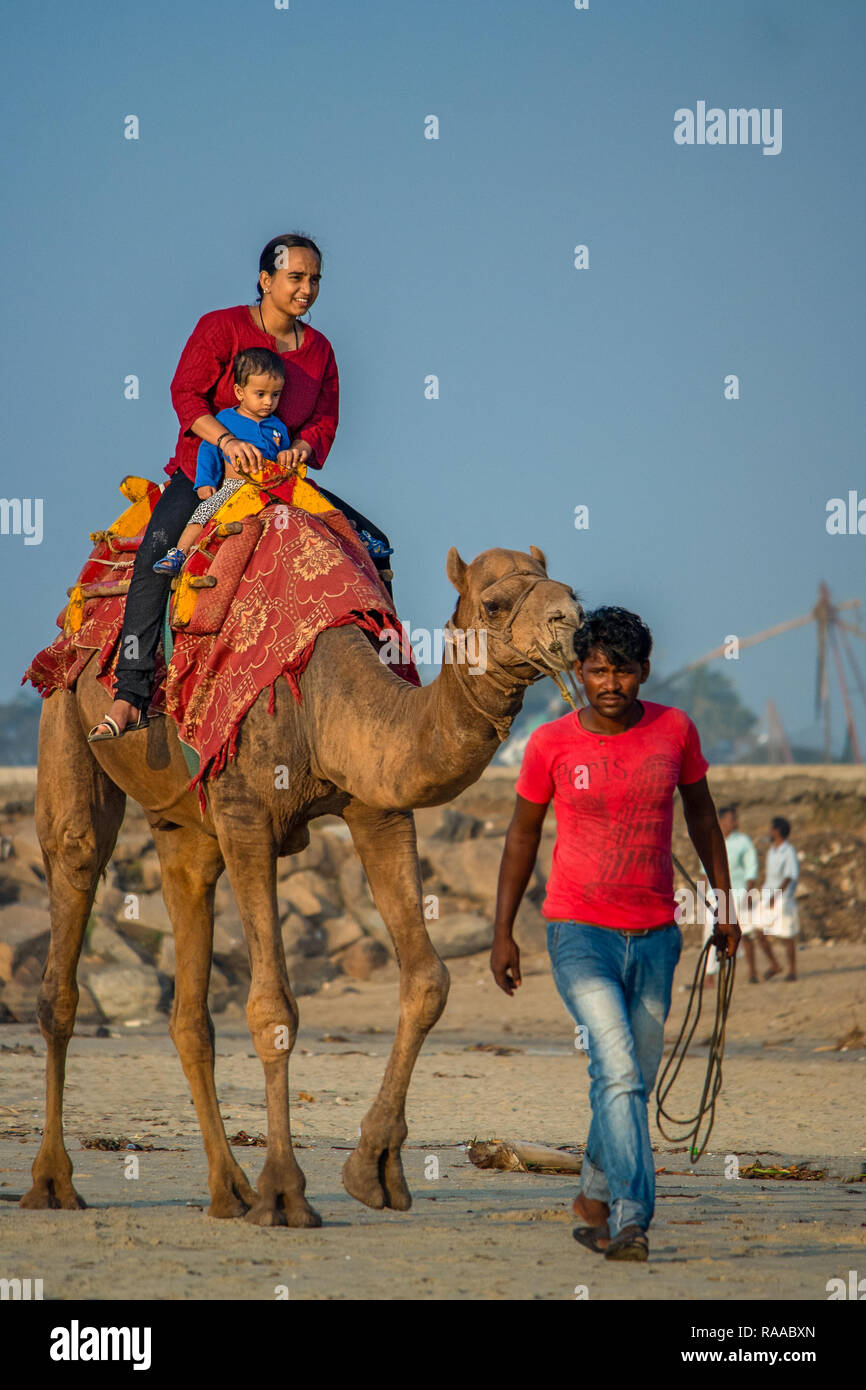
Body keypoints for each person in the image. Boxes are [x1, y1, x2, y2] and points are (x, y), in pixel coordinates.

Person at [489, 606, 740, 1262]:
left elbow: (704, 817)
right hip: (577, 933)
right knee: (621, 1068)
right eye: (597, 669)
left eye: (622, 670)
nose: (609, 682)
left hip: (657, 936)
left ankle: (592, 1196)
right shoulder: (550, 744)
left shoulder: (674, 731)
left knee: (628, 1077)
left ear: (643, 672)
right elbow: (521, 836)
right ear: (579, 671)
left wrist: (727, 906)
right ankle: (632, 1218)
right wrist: (503, 933)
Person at [88, 231, 393, 743]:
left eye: (315, 279)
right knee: (156, 554)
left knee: (376, 547)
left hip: (281, 482)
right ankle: (132, 693)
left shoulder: (320, 351)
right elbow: (185, 395)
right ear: (265, 279)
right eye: (296, 277)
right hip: (208, 476)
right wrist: (227, 442)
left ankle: (381, 680)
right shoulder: (220, 328)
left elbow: (324, 418)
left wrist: (303, 449)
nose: (307, 289)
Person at [152, 348, 291, 575]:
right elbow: (208, 450)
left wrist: (287, 458)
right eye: (260, 394)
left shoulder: (279, 427)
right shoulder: (227, 420)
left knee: (311, 509)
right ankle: (179, 553)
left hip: (272, 489)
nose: (268, 402)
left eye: (275, 395)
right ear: (239, 391)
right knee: (204, 512)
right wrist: (205, 481)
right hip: (234, 487)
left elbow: (283, 461)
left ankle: (356, 538)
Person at [702, 804, 759, 984]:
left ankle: (752, 973)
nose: (735, 822)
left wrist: (749, 893)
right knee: (710, 933)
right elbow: (704, 871)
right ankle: (710, 976)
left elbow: (751, 869)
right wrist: (703, 897)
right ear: (722, 820)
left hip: (738, 893)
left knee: (745, 932)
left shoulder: (743, 842)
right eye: (732, 818)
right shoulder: (709, 840)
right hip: (714, 895)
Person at [759, 816, 800, 981]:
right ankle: (774, 964)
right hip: (768, 896)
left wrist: (776, 895)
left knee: (786, 936)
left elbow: (789, 876)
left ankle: (792, 971)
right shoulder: (772, 850)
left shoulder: (788, 851)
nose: (769, 831)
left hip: (782, 898)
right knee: (760, 932)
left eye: (771, 828)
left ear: (777, 831)